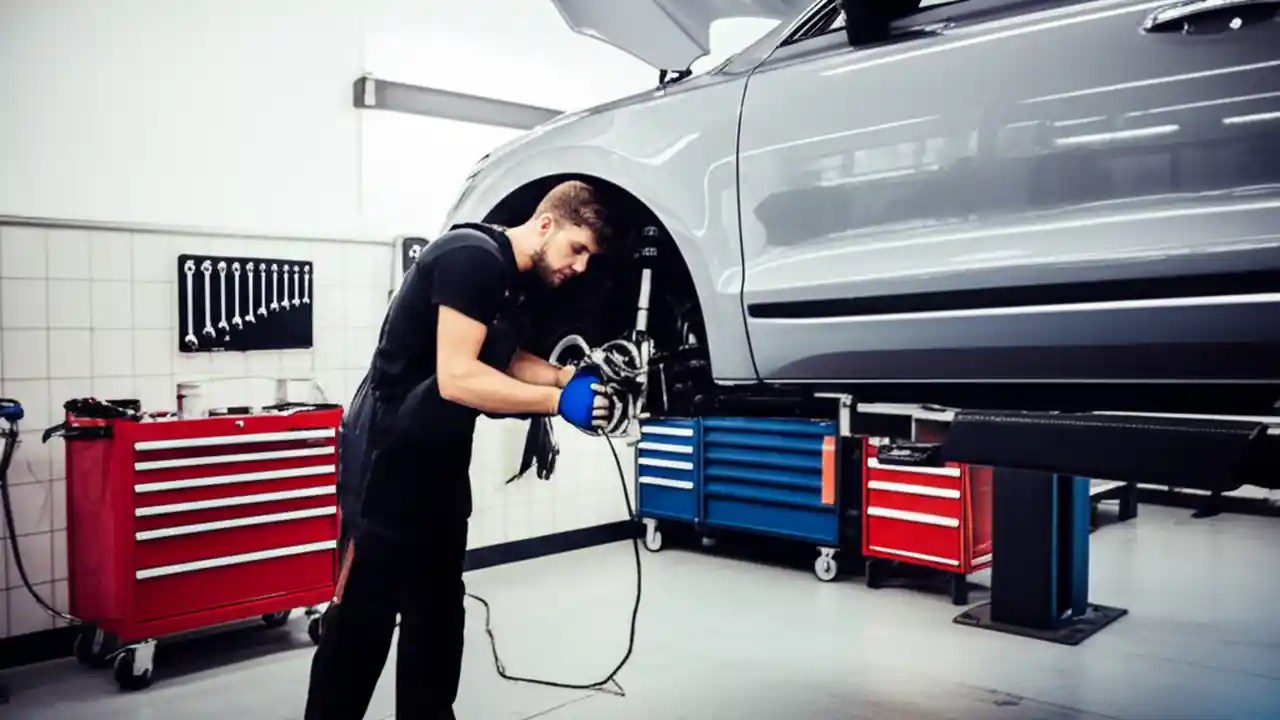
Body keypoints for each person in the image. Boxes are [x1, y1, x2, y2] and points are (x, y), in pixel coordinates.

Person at [304, 180, 617, 719]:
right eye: (577, 248)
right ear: (546, 225)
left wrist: (569, 379)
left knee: (437, 614)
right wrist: (553, 403)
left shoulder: (513, 283)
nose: (580, 267)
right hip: (388, 456)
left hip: (441, 459)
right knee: (365, 616)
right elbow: (458, 377)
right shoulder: (470, 258)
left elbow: (505, 356)